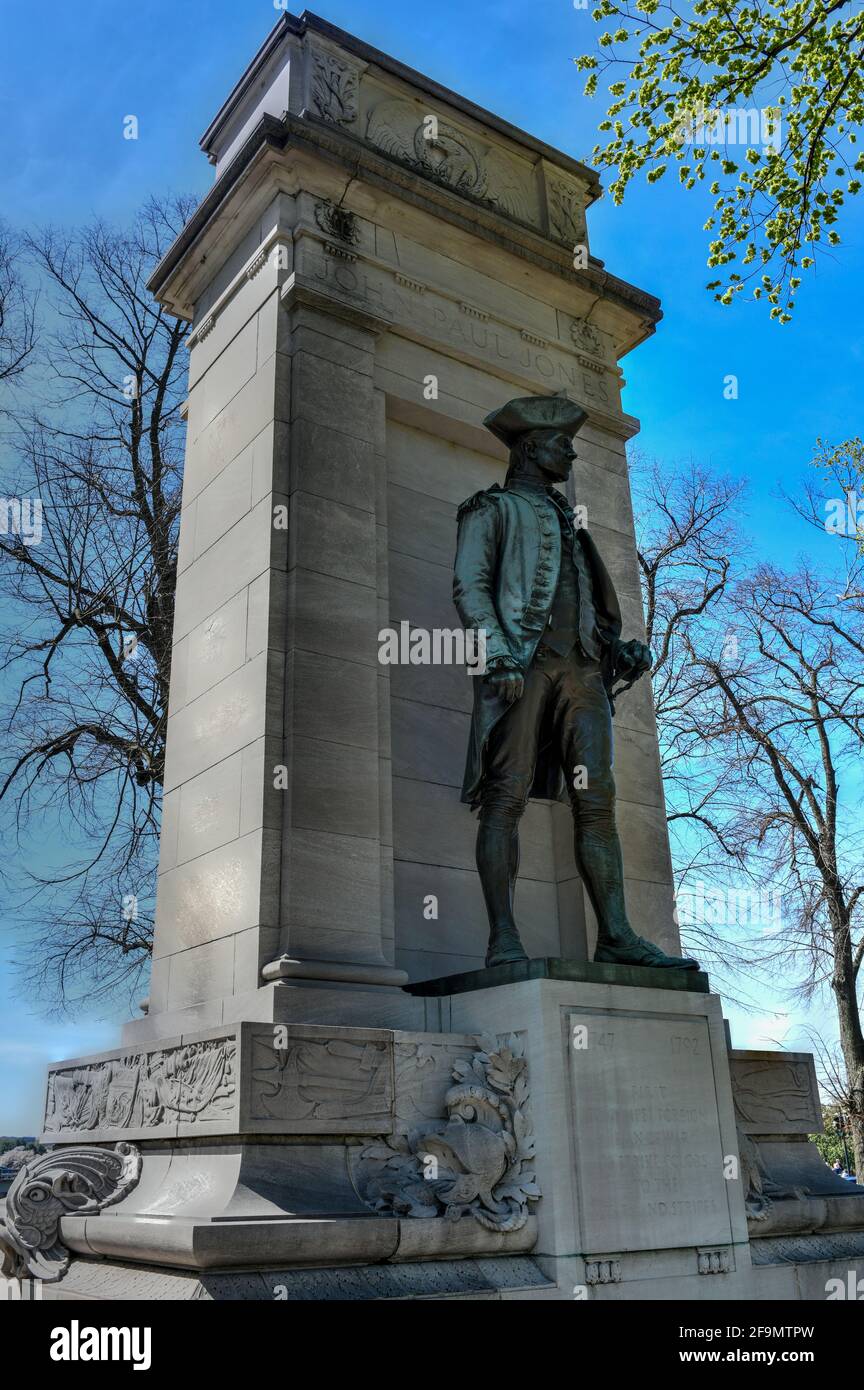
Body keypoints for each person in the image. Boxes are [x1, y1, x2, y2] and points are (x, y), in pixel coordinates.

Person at [453, 393, 699, 971]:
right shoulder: (490, 510)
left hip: (584, 671)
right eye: (561, 445)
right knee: (503, 798)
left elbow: (588, 601)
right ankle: (503, 939)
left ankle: (615, 935)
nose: (570, 454)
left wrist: (619, 648)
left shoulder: (574, 526)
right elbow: (471, 587)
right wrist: (498, 655)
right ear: (531, 448)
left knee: (598, 803)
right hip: (521, 667)